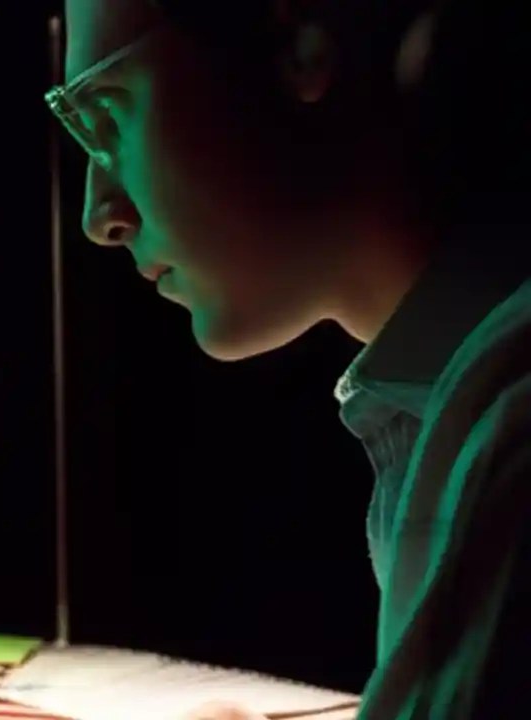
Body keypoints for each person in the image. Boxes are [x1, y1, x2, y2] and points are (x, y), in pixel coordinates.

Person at [46, 0, 531, 718]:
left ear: (302, 49)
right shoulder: (441, 408)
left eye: (110, 113)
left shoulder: (513, 428)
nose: (100, 217)